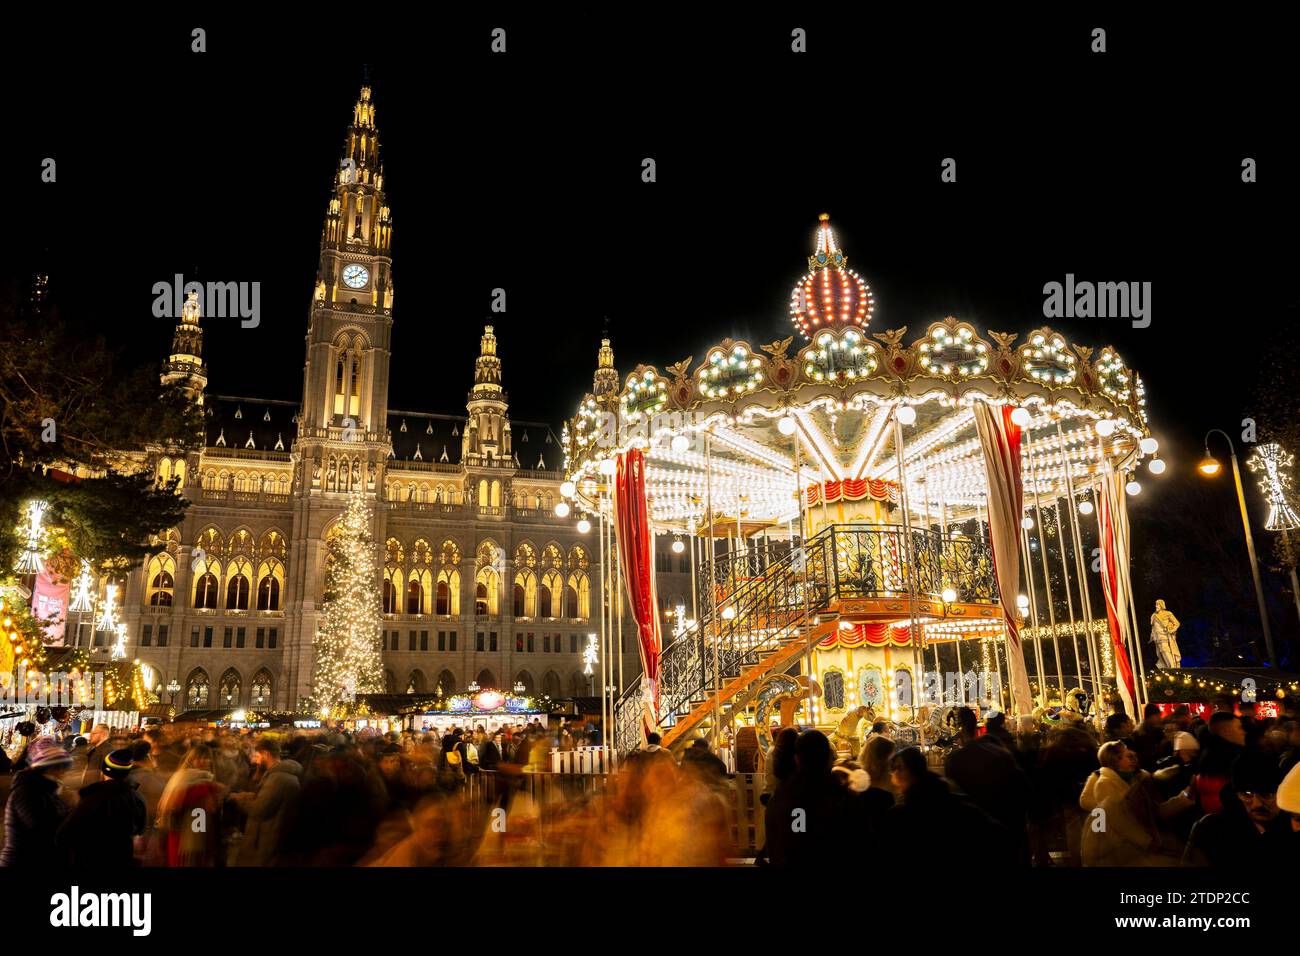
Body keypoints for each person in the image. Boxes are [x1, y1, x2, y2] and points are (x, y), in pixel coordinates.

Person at [943, 707, 1031, 860]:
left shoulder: (956, 761)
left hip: (982, 833)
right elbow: (1023, 786)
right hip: (1011, 825)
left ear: (960, 729)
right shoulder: (1000, 751)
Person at [1183, 752, 1294, 866]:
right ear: (1236, 794)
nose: (1257, 804)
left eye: (1266, 794)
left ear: (1281, 792)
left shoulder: (1294, 827)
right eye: (1247, 794)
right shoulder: (1211, 829)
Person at [763, 731, 848, 869]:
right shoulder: (840, 794)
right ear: (829, 758)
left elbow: (794, 840)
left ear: (797, 759)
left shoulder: (786, 795)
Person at [57, 749, 145, 868]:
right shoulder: (138, 798)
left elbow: (65, 833)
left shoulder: (92, 799)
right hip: (122, 858)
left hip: (92, 860)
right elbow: (140, 830)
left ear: (104, 771)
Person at [0, 737, 72, 867]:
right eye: (59, 766)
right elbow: (40, 830)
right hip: (21, 864)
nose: (63, 771)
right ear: (48, 768)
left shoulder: (49, 789)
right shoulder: (27, 790)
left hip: (36, 861)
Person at [232, 738, 302, 866]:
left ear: (266, 754)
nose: (256, 760)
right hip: (271, 836)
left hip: (267, 838)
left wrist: (240, 799)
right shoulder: (278, 775)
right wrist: (250, 796)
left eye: (258, 756)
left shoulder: (278, 778)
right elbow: (269, 799)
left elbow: (259, 809)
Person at [156, 743, 226, 866]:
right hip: (180, 832)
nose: (202, 761)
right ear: (191, 760)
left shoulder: (209, 778)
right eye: (198, 758)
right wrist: (204, 789)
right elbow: (171, 803)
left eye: (206, 758)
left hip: (202, 830)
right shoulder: (182, 777)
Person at [1192, 711, 1246, 815]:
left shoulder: (1205, 757)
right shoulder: (1236, 758)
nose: (1243, 732)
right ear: (1226, 731)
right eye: (1239, 728)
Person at [1130, 704, 1166, 772]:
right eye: (1157, 716)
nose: (1159, 718)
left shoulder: (1156, 728)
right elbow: (1145, 754)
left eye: (1159, 716)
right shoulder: (1140, 732)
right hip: (1146, 767)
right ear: (1149, 717)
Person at [80, 724, 114, 789]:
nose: (90, 735)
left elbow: (108, 778)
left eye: (94, 733)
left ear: (103, 734)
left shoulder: (107, 751)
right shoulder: (96, 749)